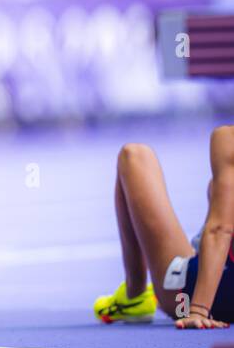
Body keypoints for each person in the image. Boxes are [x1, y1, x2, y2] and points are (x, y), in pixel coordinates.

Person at [95, 127, 234, 328]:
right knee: (218, 189)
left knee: (134, 156)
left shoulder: (228, 138)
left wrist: (198, 311)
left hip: (189, 299)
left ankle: (135, 295)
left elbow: (220, 229)